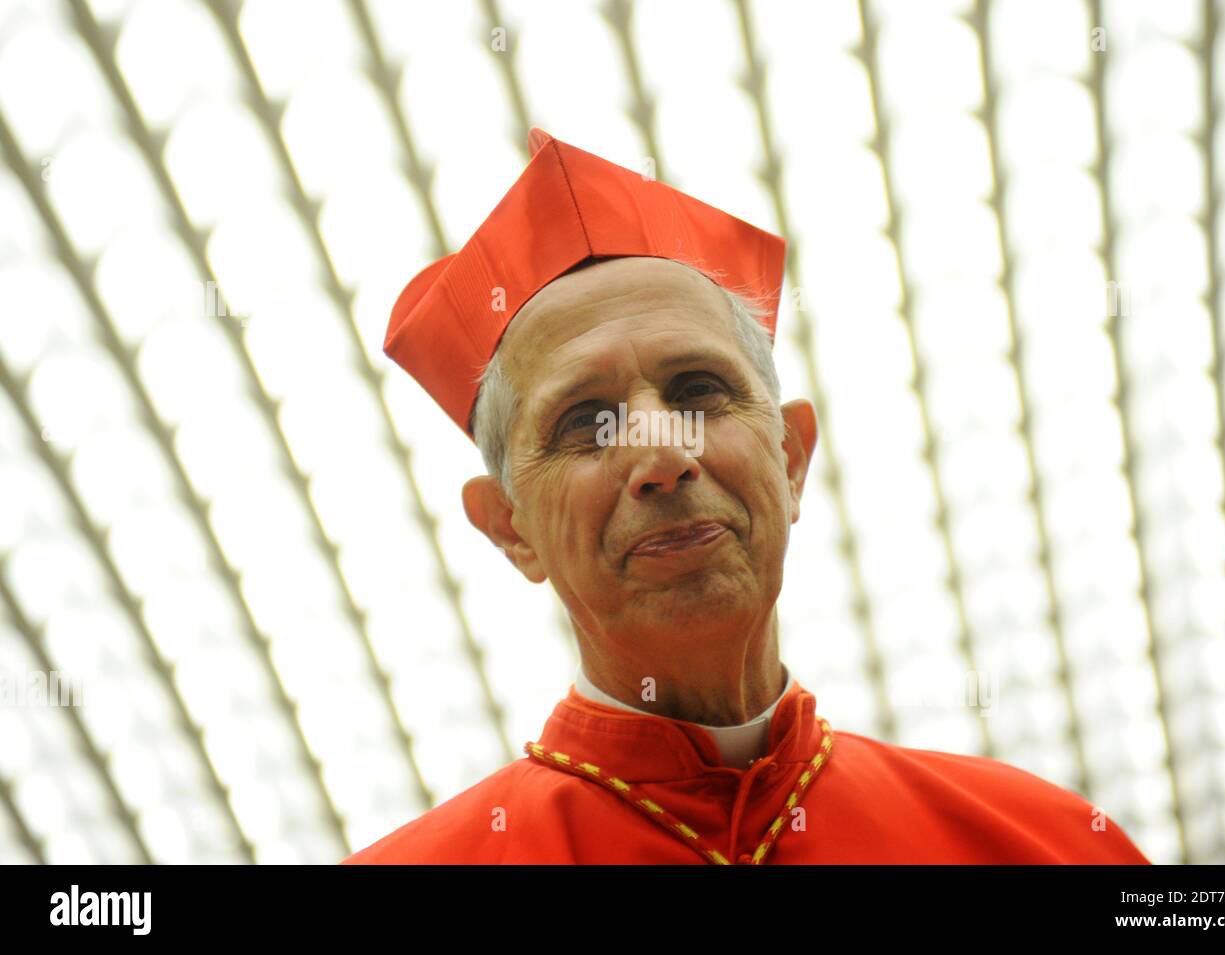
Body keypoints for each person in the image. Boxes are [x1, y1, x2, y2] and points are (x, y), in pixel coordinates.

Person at [344, 129, 1150, 864]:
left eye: (698, 391)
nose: (661, 454)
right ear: (511, 529)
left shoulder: (1041, 842)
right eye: (587, 422)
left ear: (791, 456)